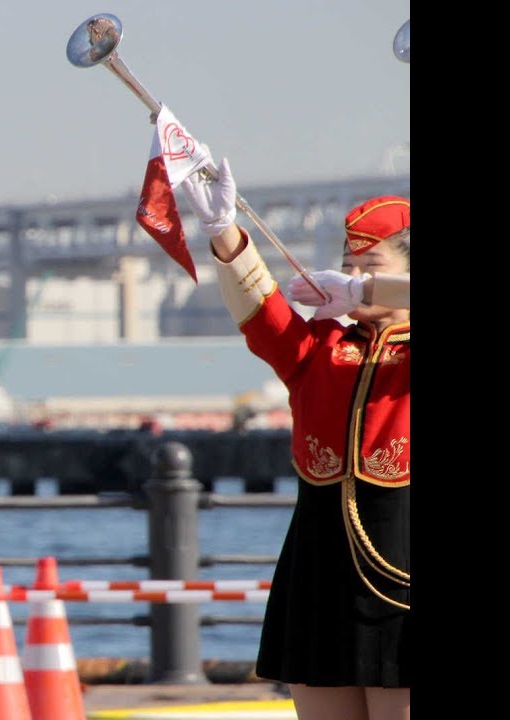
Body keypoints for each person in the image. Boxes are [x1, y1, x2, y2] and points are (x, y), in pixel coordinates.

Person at [180, 160, 410, 720]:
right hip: (320, 565)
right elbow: (260, 313)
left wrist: (366, 288)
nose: (352, 277)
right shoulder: (321, 348)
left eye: (370, 266)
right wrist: (225, 235)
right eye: (346, 266)